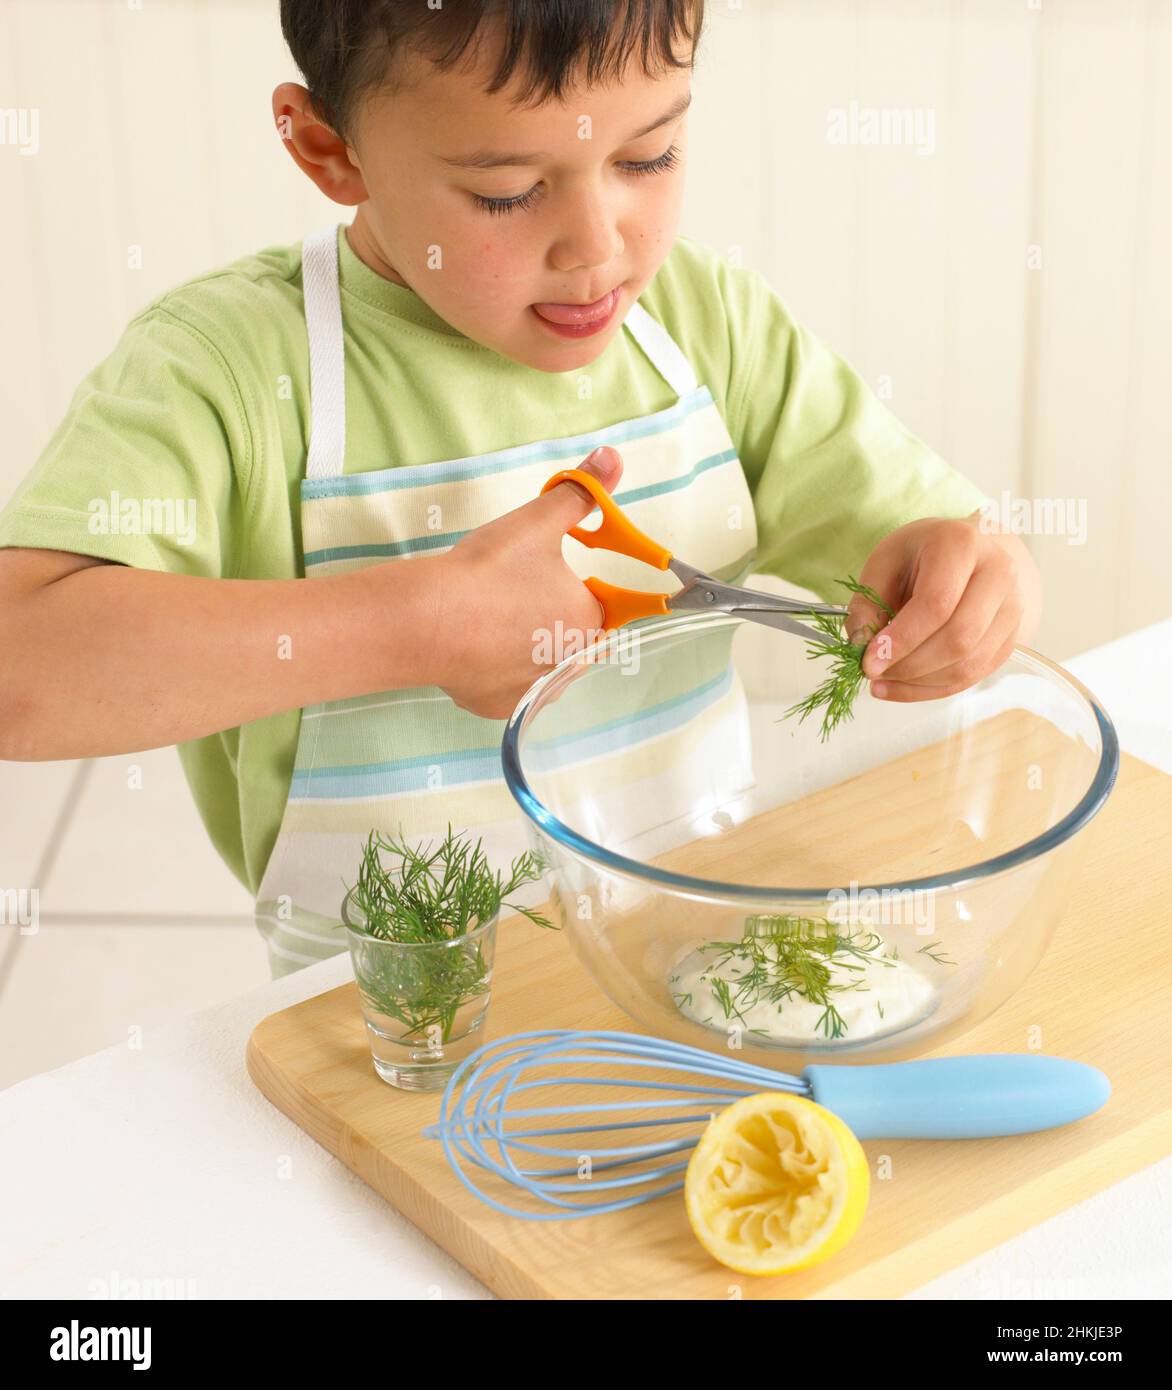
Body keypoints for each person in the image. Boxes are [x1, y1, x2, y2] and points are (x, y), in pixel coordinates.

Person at [0, 0, 1041, 976]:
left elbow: (924, 538)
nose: (597, 247)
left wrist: (973, 579)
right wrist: (410, 625)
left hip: (690, 959)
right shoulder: (226, 370)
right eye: (504, 190)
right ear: (330, 149)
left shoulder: (705, 324)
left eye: (648, 155)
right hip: (398, 1021)